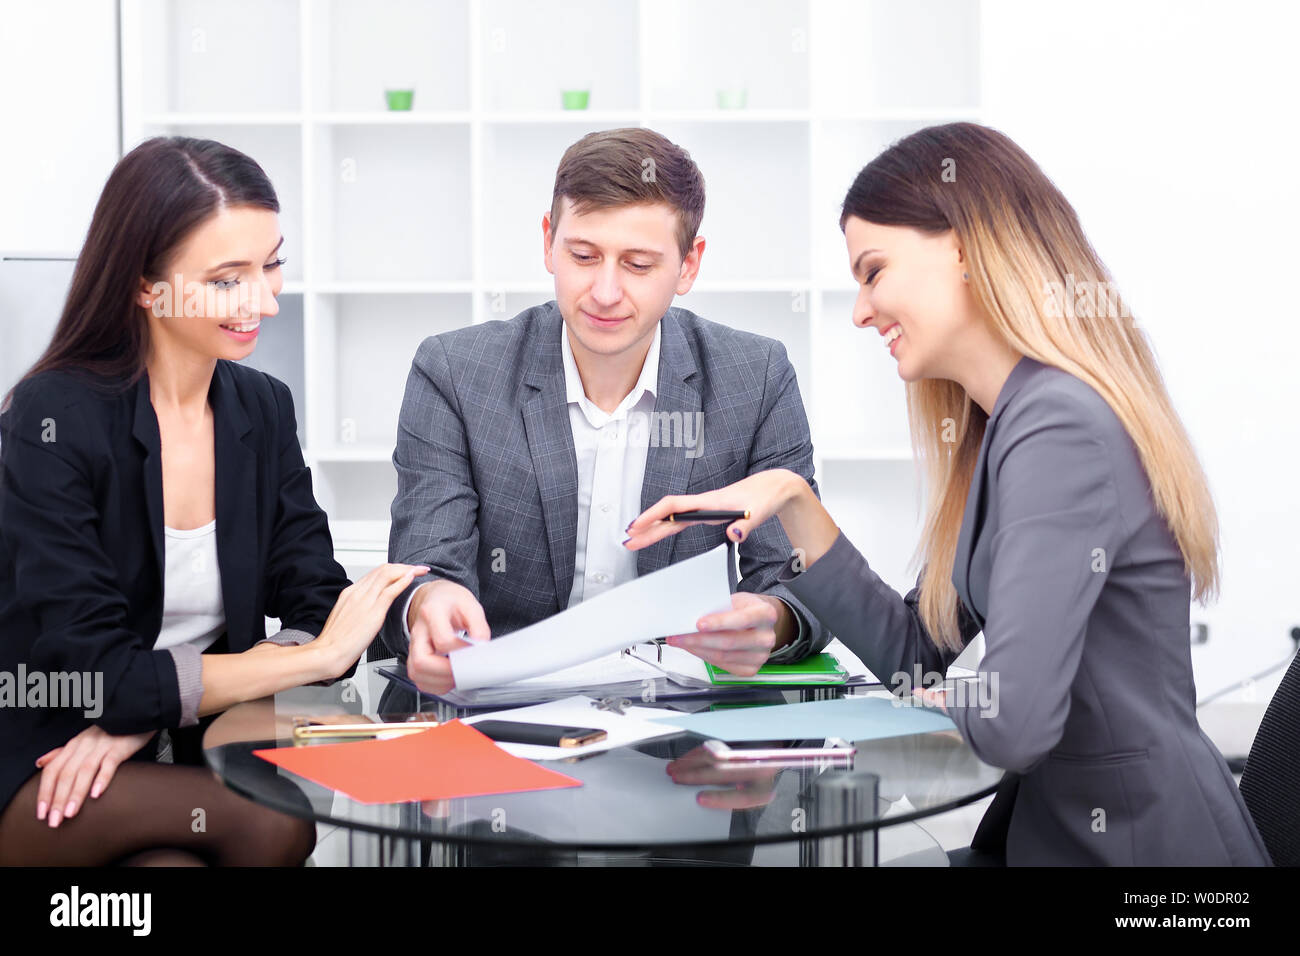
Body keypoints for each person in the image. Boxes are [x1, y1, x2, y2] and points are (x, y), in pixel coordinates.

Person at [624, 122, 1272, 867]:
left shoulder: (1058, 428)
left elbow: (1015, 722)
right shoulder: (1006, 425)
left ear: (963, 248)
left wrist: (917, 706)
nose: (862, 311)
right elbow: (917, 652)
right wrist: (792, 500)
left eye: (873, 272)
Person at [0, 137, 425, 866]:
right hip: (51, 759)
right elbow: (99, 674)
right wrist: (312, 656)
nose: (264, 298)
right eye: (228, 278)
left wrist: (146, 710)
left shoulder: (260, 408)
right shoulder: (54, 417)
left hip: (167, 751)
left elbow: (318, 600)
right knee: (274, 821)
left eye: (272, 263)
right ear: (145, 286)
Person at [382, 127, 831, 695]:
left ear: (689, 265)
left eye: (639, 264)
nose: (605, 291)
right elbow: (424, 564)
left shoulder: (755, 378)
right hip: (500, 713)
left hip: (684, 728)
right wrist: (429, 599)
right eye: (584, 256)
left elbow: (798, 578)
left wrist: (772, 619)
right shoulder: (454, 371)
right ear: (549, 241)